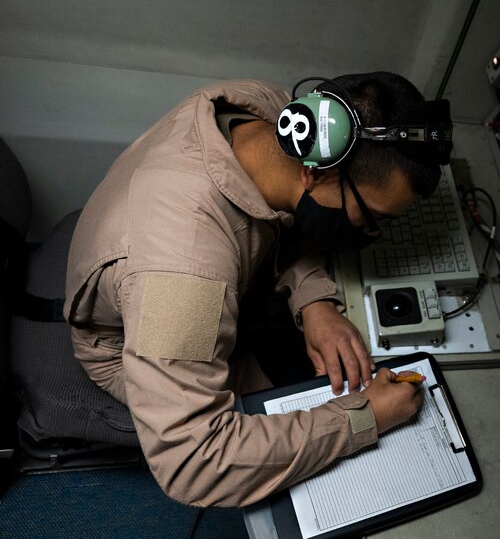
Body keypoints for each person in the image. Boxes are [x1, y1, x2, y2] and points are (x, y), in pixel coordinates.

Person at [63, 72, 452, 507]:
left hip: (213, 283)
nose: (373, 233)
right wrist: (364, 420)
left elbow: (277, 216)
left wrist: (315, 299)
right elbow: (195, 463)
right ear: (313, 172)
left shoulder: (265, 109)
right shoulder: (184, 267)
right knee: (307, 442)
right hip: (126, 338)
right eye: (372, 215)